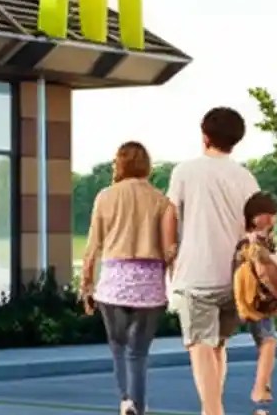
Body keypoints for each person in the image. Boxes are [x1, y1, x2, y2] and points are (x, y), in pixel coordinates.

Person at [163, 107, 261, 415]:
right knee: (218, 346)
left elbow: (170, 213)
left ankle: (213, 411)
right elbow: (256, 227)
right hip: (233, 277)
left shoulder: (185, 171)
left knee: (200, 346)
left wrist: (170, 253)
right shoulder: (246, 178)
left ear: (204, 136)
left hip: (196, 274)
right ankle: (213, 409)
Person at [80, 141, 177, 415]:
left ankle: (125, 400)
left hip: (114, 282)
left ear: (119, 164)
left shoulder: (105, 197)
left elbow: (92, 248)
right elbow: (169, 250)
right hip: (149, 283)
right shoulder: (161, 200)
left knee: (118, 348)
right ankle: (139, 406)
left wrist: (86, 286)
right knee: (139, 353)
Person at [233, 191, 277, 415]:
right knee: (268, 341)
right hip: (257, 298)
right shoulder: (255, 242)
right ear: (253, 217)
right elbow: (263, 272)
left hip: (257, 297)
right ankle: (260, 389)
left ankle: (264, 386)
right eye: (265, 214)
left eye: (273, 214)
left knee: (266, 341)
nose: (271, 218)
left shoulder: (265, 240)